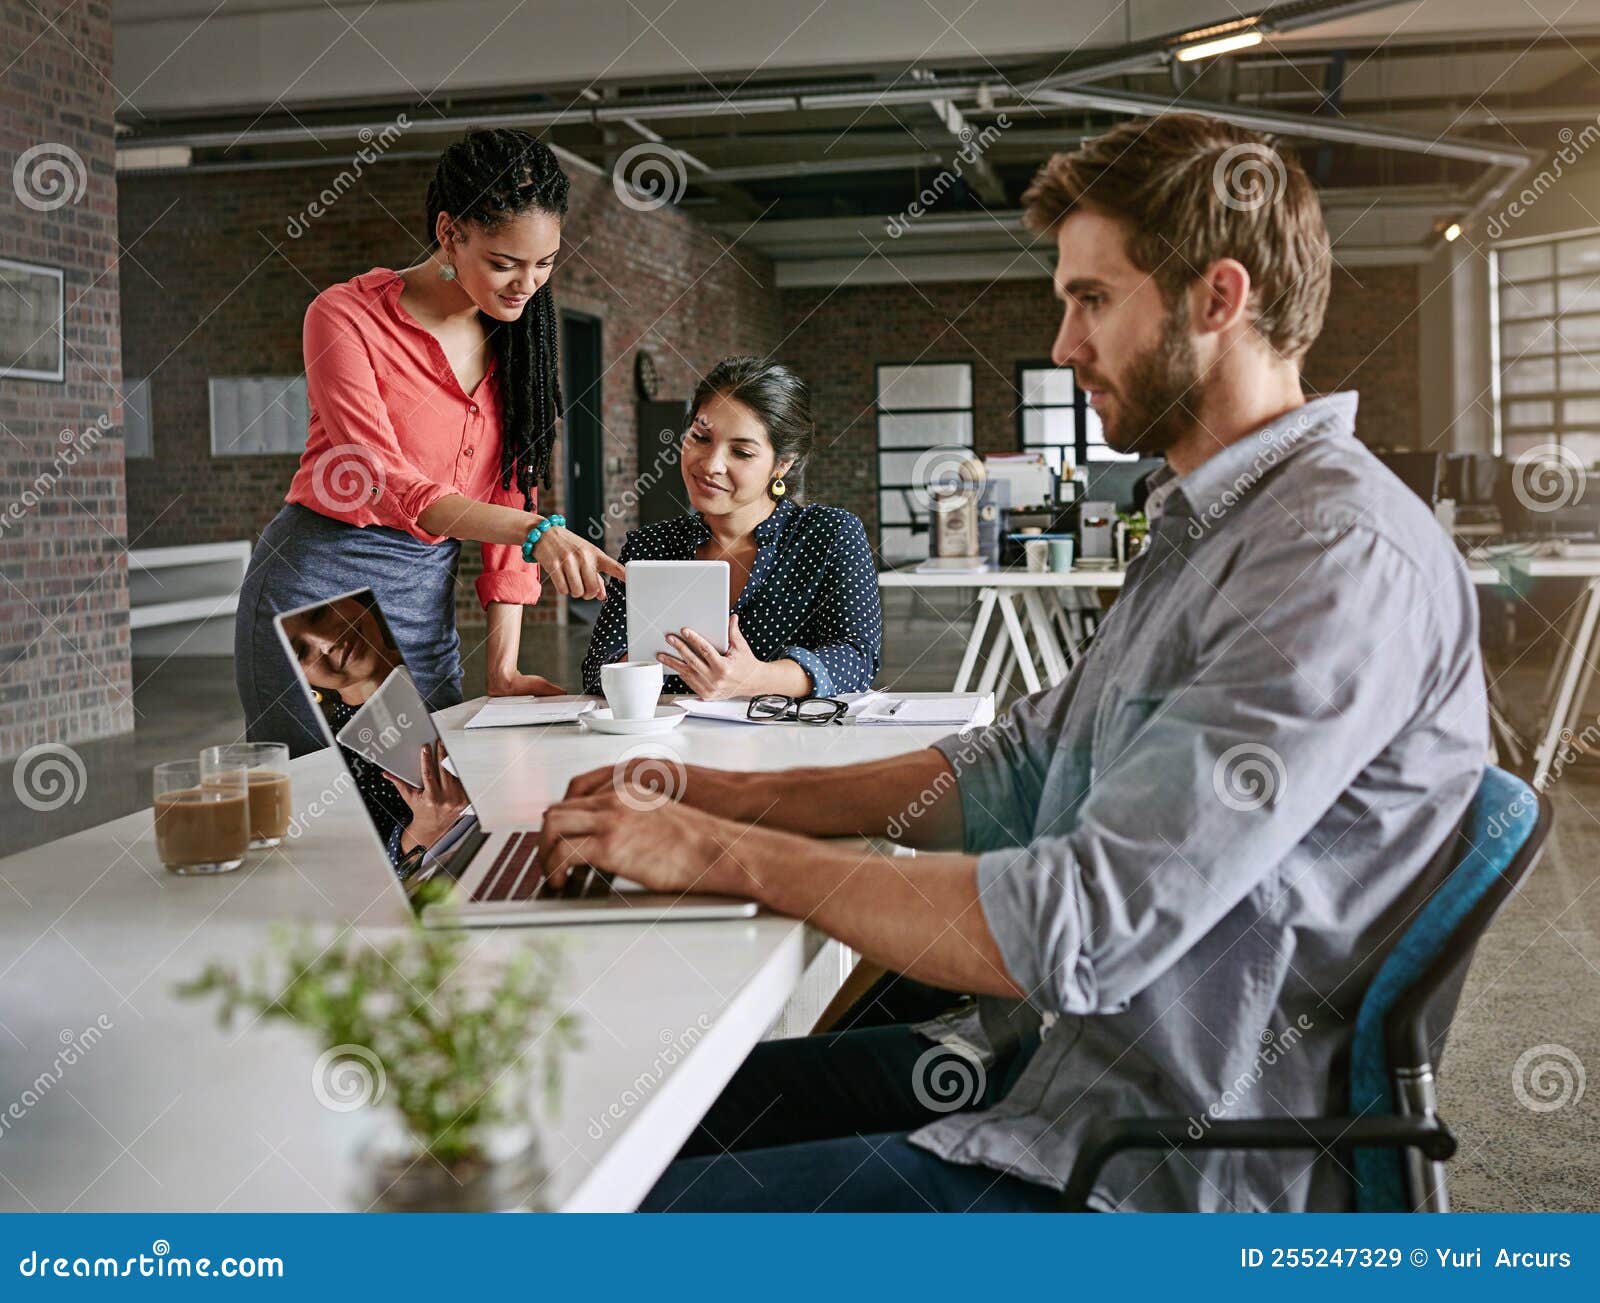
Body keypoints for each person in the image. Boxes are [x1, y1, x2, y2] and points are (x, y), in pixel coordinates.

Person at [535, 113, 1489, 1212]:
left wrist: (720, 850)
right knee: (612, 1108)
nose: (1063, 344)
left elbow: (1081, 923)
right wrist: (713, 792)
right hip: (1049, 1073)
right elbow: (1015, 767)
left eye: (1091, 299)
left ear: (1217, 300)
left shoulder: (1331, 559)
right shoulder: (1212, 519)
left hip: (1147, 1164)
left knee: (608, 1215)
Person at [236, 128, 623, 758]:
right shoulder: (344, 317)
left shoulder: (517, 342)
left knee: (429, 820)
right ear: (449, 233)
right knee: (337, 818)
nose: (527, 284)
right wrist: (533, 529)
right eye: (504, 263)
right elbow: (384, 480)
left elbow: (511, 490)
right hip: (322, 590)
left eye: (545, 263)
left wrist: (503, 666)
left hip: (425, 594)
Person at [581, 356, 881, 701]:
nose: (711, 465)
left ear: (782, 463)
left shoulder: (830, 534)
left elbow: (858, 658)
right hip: (672, 741)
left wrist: (758, 678)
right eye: (701, 437)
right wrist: (653, 662)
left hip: (792, 741)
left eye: (741, 451)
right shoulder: (650, 545)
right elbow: (596, 669)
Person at [278, 592, 469, 874]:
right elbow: (363, 872)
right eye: (301, 652)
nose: (328, 643)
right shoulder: (332, 755)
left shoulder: (435, 657)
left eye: (319, 614)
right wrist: (426, 828)